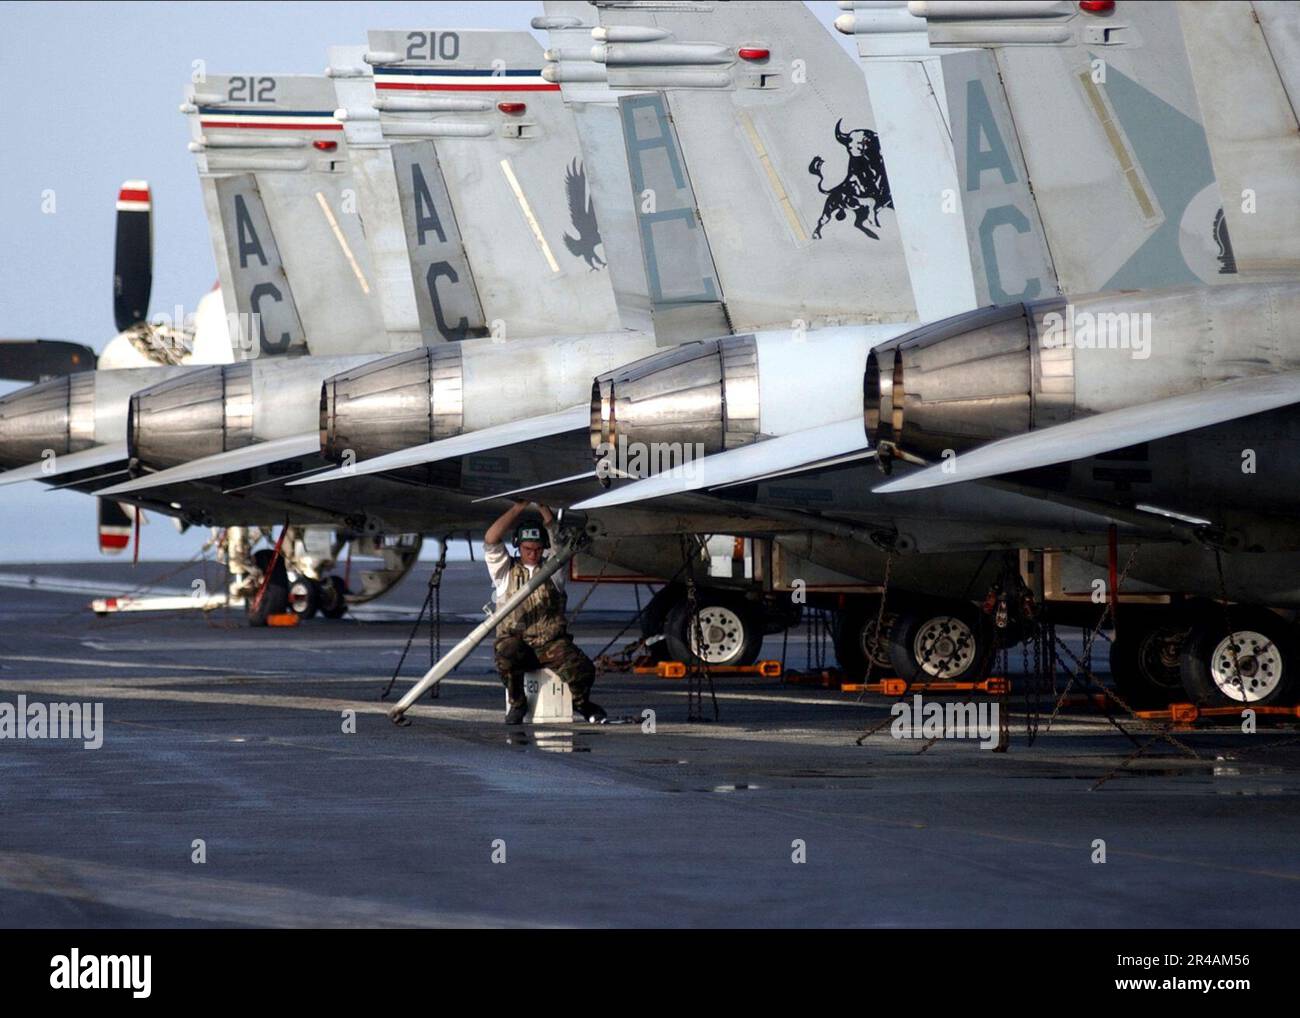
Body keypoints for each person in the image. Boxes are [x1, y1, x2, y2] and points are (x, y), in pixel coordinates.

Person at [484, 501, 604, 725]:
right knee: (506, 652)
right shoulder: (504, 572)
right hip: (517, 643)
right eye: (528, 549)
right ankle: (518, 702)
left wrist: (543, 507)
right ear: (519, 547)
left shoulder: (553, 571)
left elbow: (557, 539)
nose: (533, 553)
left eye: (538, 549)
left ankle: (581, 703)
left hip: (549, 645)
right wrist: (517, 508)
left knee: (584, 669)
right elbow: (491, 539)